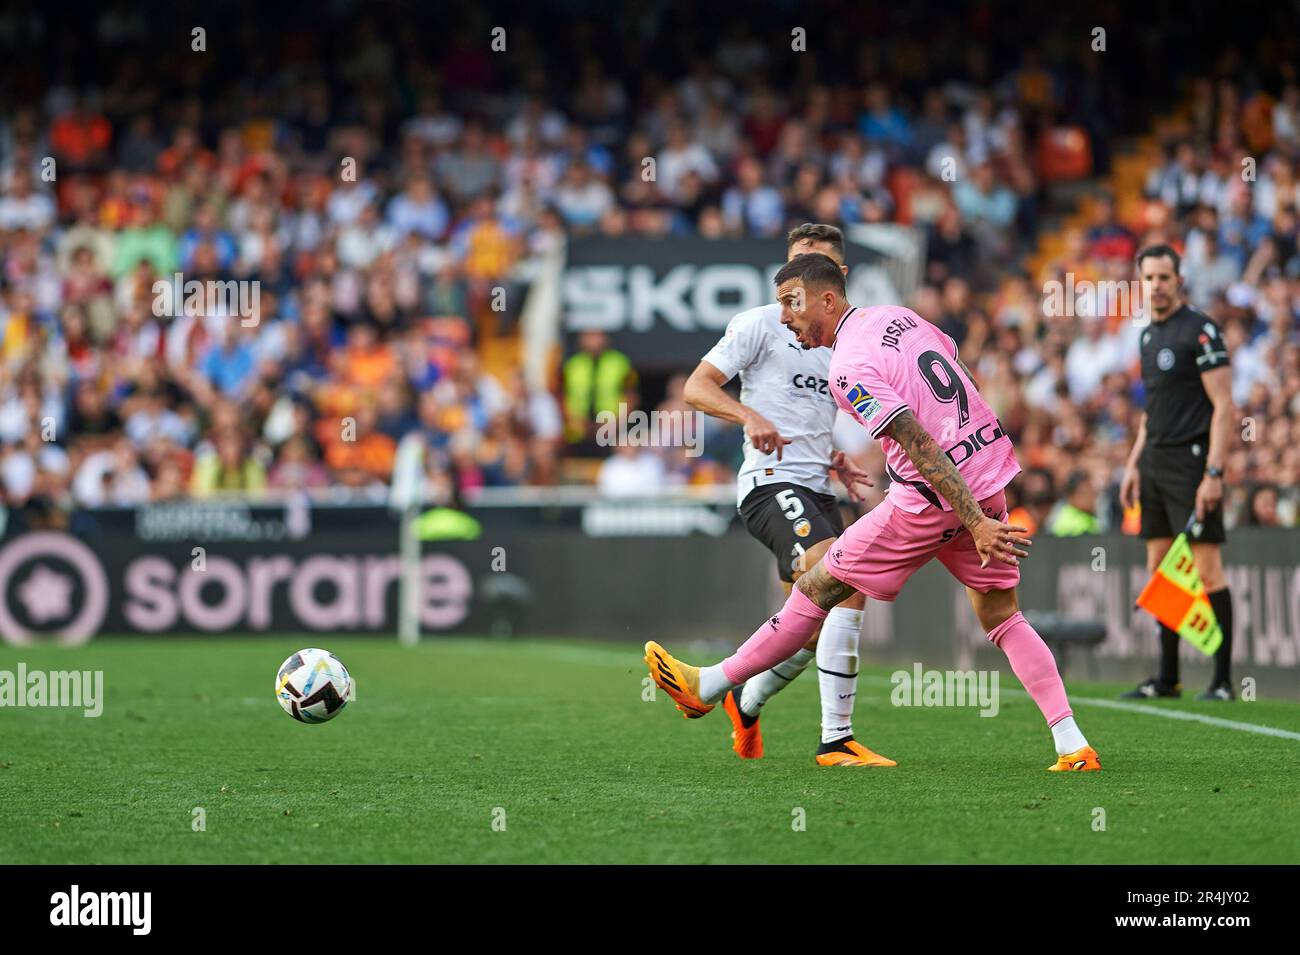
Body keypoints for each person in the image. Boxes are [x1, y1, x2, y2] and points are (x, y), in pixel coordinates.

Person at [645, 252, 1100, 772]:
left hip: (929, 502)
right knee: (1002, 615)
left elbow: (915, 438)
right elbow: (956, 372)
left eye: (792, 304)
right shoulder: (900, 318)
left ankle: (709, 686)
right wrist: (977, 507)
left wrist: (970, 521)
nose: (787, 317)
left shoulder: (847, 365)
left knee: (817, 587)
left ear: (828, 298)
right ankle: (1073, 745)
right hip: (988, 473)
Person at [683, 223, 877, 766]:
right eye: (792, 265)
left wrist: (835, 457)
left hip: (817, 488)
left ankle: (747, 700)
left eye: (812, 265)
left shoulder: (840, 342)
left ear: (835, 279)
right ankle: (836, 740)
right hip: (771, 484)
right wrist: (748, 415)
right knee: (845, 584)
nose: (796, 280)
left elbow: (813, 415)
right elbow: (695, 388)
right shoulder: (760, 325)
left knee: (815, 626)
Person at [1119, 245, 1235, 701]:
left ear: (1179, 279)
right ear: (1141, 282)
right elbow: (1151, 411)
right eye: (1149, 278)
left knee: (1206, 570)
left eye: (1164, 277)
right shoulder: (1148, 337)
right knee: (1160, 569)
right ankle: (1167, 678)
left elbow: (1226, 406)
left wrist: (1215, 472)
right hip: (1154, 464)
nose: (1157, 286)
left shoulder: (1201, 331)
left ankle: (1223, 680)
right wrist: (1132, 463)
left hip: (1191, 464)